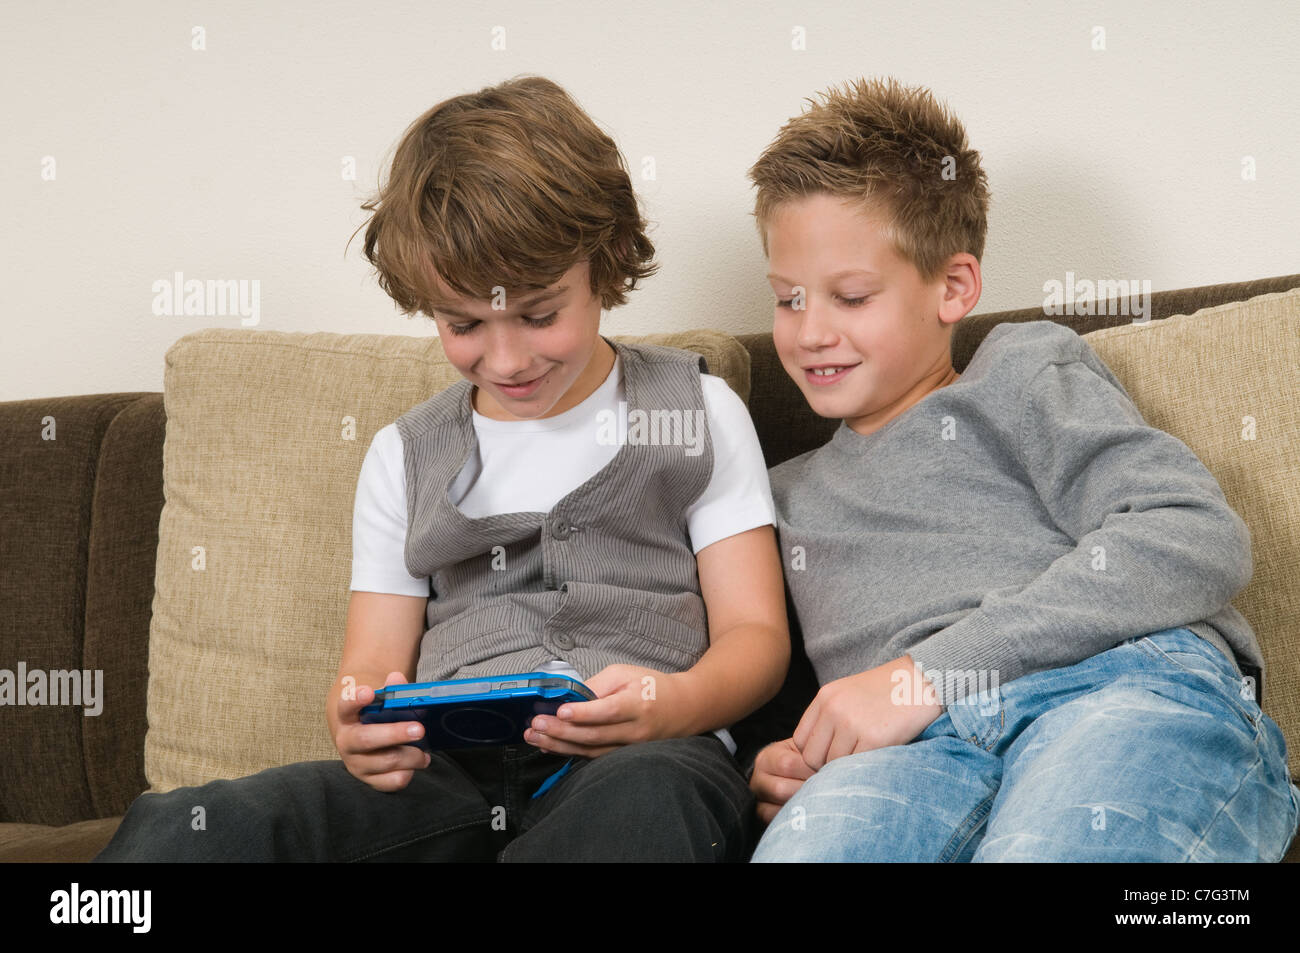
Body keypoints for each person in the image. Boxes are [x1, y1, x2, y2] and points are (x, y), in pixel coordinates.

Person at [93, 75, 788, 863]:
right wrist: (355, 717)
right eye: (464, 324)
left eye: (539, 314)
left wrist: (676, 702)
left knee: (646, 810)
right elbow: (372, 663)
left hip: (647, 755)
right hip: (448, 775)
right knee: (193, 829)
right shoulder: (404, 453)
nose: (506, 358)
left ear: (610, 258)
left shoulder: (697, 408)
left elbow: (755, 635)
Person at [744, 76, 1300, 862]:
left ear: (954, 287)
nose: (810, 332)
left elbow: (1195, 535)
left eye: (852, 296)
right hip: (916, 757)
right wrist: (776, 761)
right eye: (789, 298)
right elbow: (753, 666)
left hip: (1113, 687)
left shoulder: (1020, 370)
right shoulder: (780, 493)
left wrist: (925, 676)